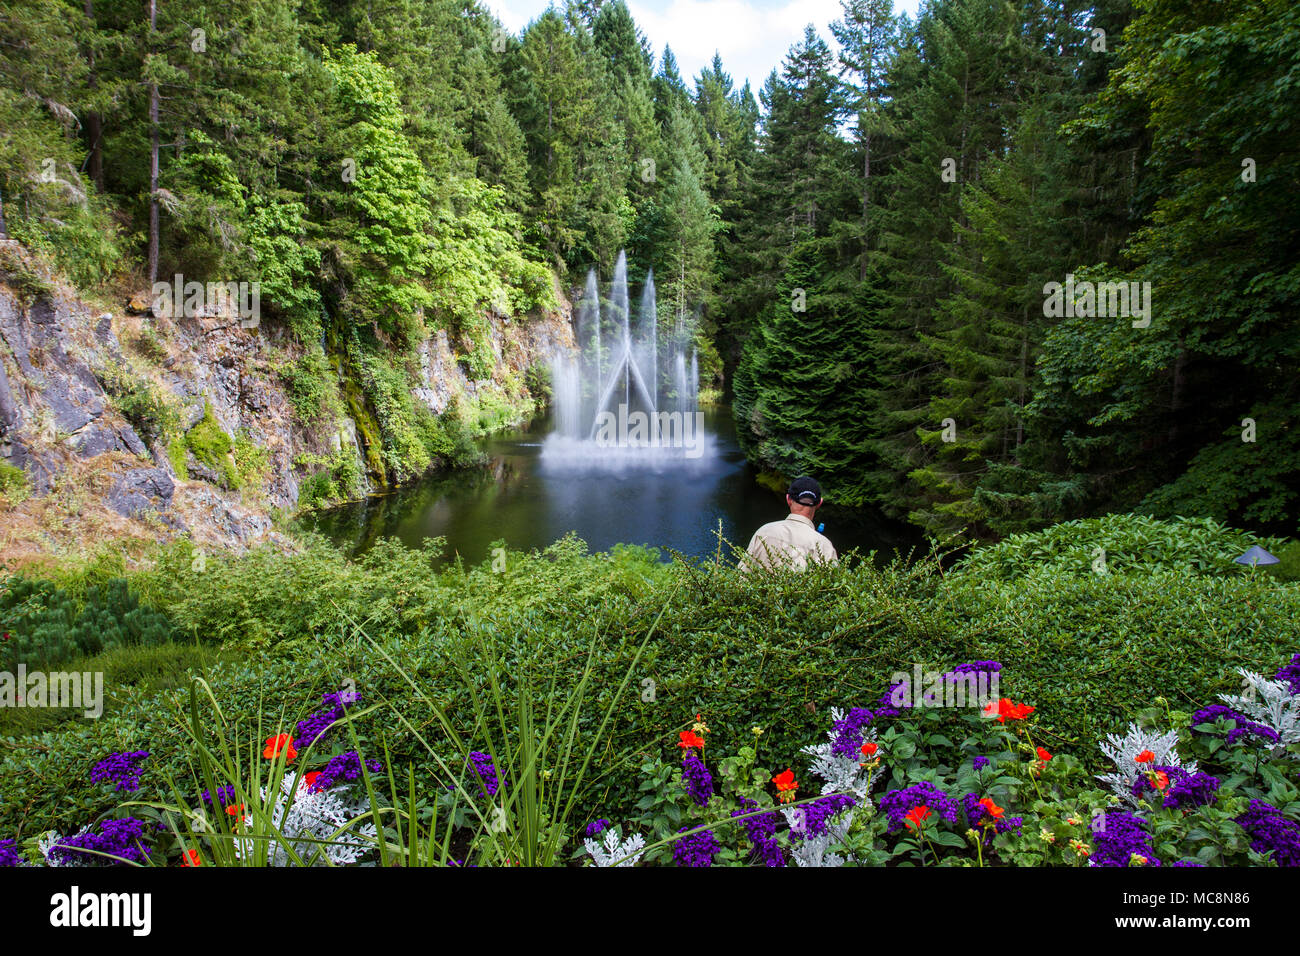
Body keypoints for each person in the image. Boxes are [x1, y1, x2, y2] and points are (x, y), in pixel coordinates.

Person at [741, 476, 838, 571]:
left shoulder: (763, 532)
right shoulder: (825, 546)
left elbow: (741, 576)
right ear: (819, 503)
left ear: (788, 499)